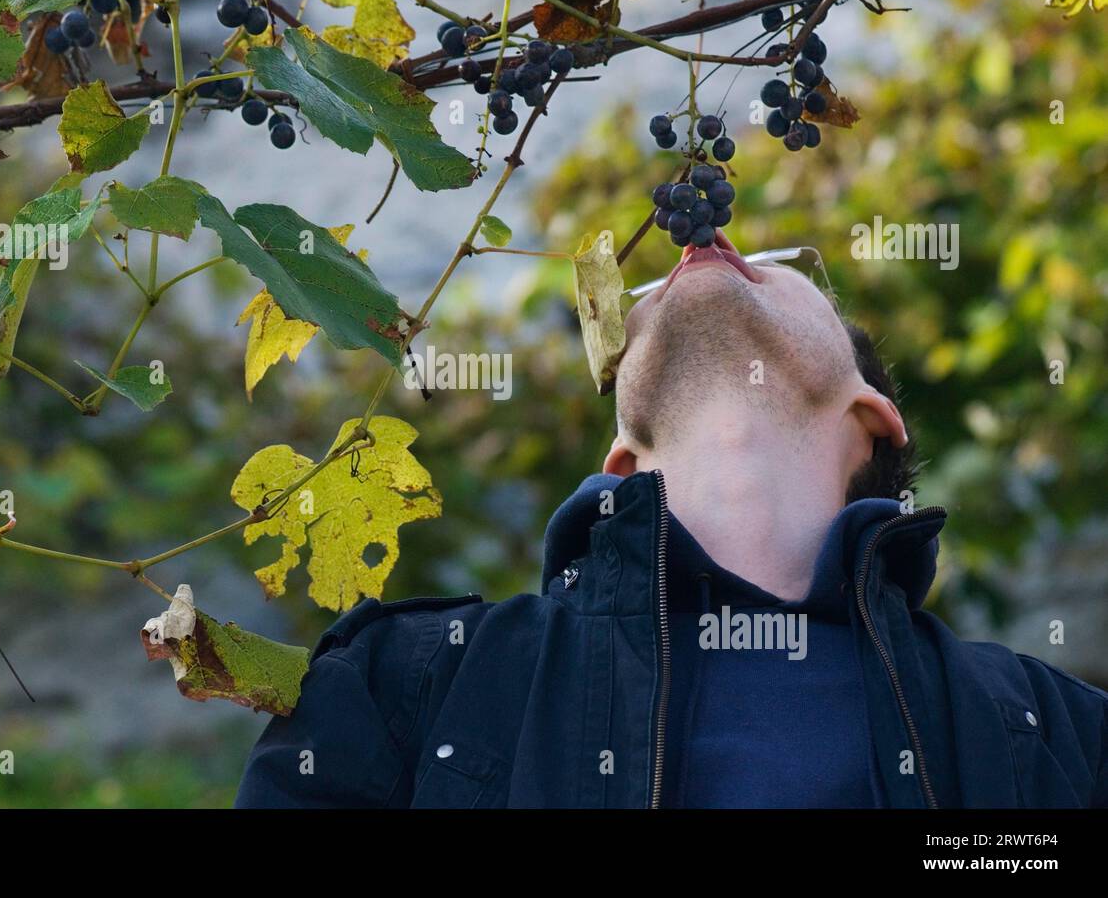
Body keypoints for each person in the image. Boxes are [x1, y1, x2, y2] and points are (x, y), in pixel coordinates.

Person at [236, 231, 1107, 808]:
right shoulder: (400, 688)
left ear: (871, 413)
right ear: (622, 458)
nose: (709, 245)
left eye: (771, 258)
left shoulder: (1060, 737)